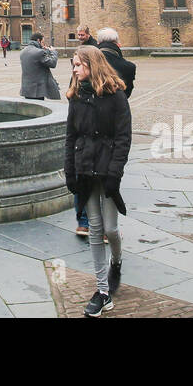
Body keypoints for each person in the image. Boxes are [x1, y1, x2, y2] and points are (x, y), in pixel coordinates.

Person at [64, 45, 130, 317]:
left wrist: (115, 173)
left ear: (92, 65)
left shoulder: (116, 96)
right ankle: (102, 291)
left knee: (111, 229)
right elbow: (71, 136)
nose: (74, 69)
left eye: (78, 64)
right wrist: (70, 171)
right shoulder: (76, 96)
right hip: (85, 169)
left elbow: (124, 137)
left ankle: (117, 260)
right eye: (73, 65)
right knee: (94, 228)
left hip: (107, 170)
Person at [19, 32, 60, 100]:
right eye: (43, 42)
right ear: (38, 40)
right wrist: (53, 52)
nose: (43, 44)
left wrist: (45, 50)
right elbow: (52, 63)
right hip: (37, 90)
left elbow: (36, 59)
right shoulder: (39, 52)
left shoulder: (23, 51)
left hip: (26, 89)